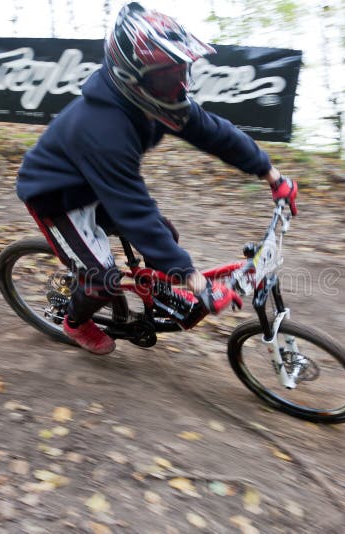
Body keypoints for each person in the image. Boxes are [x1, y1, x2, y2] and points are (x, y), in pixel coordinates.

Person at [15, 2, 298, 355]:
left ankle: (160, 293)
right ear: (133, 75)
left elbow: (216, 133)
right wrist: (193, 279)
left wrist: (271, 174)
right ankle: (75, 321)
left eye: (182, 70)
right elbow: (135, 211)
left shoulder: (158, 98)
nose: (179, 83)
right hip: (57, 197)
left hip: (95, 184)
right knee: (103, 281)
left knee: (167, 238)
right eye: (168, 75)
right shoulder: (103, 129)